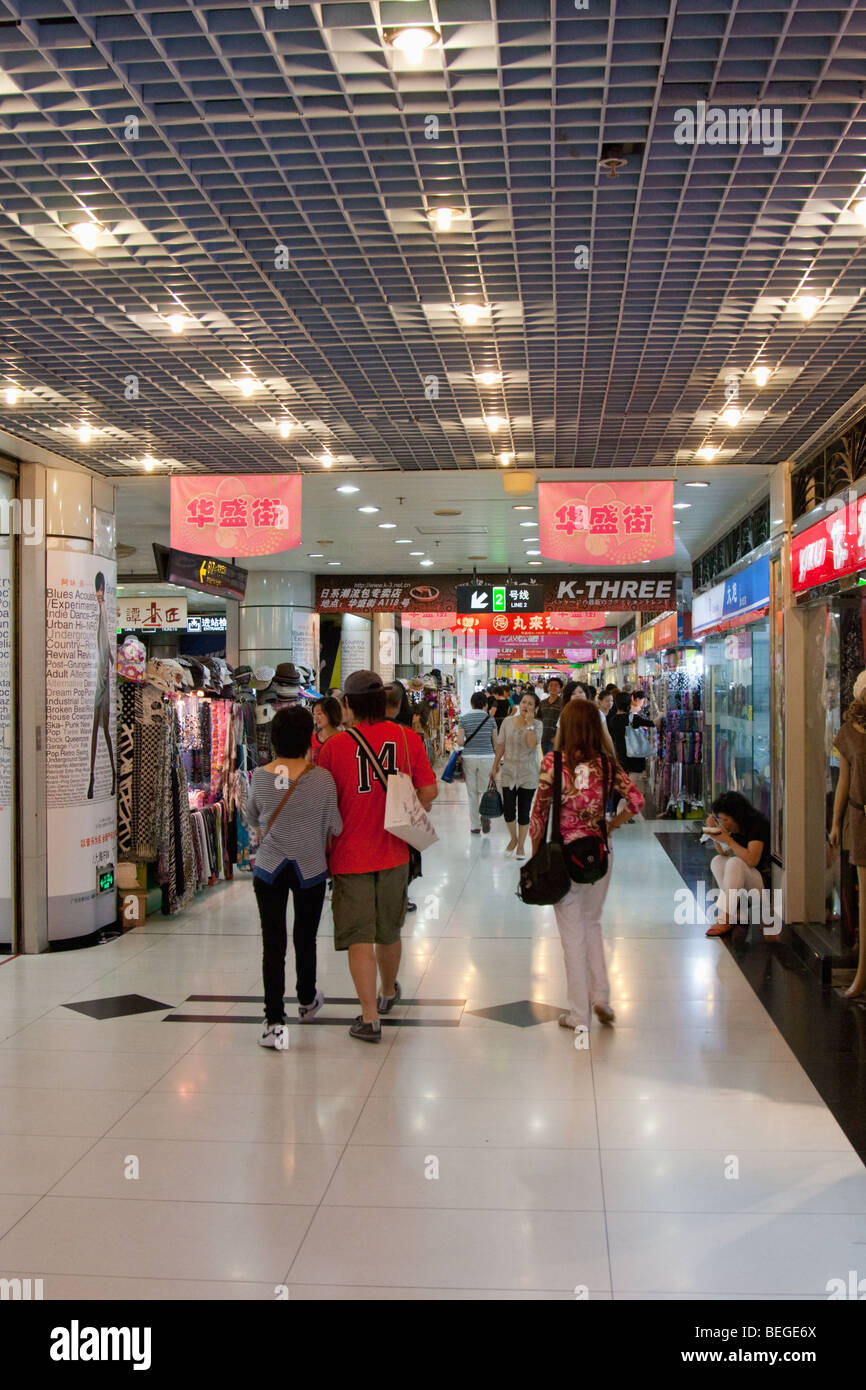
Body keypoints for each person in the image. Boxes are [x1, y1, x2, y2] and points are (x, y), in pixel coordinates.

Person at [318, 671, 437, 1042]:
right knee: (389, 930)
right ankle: (388, 992)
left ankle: (370, 1019)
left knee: (359, 938)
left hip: (349, 857)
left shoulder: (333, 748)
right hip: (394, 853)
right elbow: (429, 790)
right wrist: (406, 811)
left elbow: (323, 806)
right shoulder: (406, 738)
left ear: (349, 705)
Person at [529, 700, 643, 1033]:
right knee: (592, 924)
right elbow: (637, 800)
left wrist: (535, 855)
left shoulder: (554, 761)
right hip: (599, 855)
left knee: (572, 937)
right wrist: (612, 824)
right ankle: (602, 998)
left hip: (564, 857)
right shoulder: (607, 765)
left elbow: (538, 814)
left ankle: (579, 1014)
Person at [247, 706, 342, 1049]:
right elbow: (335, 825)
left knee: (273, 944)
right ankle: (306, 999)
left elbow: (252, 816)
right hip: (311, 868)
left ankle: (274, 1022)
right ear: (307, 739)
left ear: (274, 739)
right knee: (306, 936)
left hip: (269, 868)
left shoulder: (260, 776)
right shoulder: (322, 779)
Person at [704, 791, 771, 938]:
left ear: (737, 817)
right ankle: (736, 910)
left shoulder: (757, 824)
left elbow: (752, 860)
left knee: (735, 862)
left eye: (726, 820)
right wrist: (715, 835)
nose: (724, 824)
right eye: (720, 819)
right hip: (746, 886)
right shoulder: (733, 828)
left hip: (763, 886)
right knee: (717, 861)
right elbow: (723, 853)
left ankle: (726, 915)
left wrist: (729, 840)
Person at [492, 691, 542, 859]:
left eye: (530, 704)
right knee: (508, 810)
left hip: (528, 772)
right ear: (519, 703)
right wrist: (494, 766)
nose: (525, 706)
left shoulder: (537, 725)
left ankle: (520, 845)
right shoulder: (507, 722)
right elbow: (501, 745)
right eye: (524, 702)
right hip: (509, 771)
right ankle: (513, 839)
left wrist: (529, 724)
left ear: (535, 708)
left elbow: (531, 744)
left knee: (524, 810)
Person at [88, 571, 116, 800]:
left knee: (104, 732)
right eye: (97, 588)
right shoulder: (97, 614)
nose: (99, 592)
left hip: (103, 682)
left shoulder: (103, 611)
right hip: (99, 682)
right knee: (96, 734)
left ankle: (109, 778)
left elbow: (105, 644)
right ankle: (92, 778)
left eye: (101, 588)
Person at [607, 689, 656, 816]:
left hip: (620, 753)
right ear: (629, 704)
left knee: (623, 779)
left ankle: (615, 805)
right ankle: (626, 809)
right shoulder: (633, 718)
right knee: (631, 782)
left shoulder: (613, 720)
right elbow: (652, 723)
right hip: (634, 753)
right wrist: (661, 716)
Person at [455, 691, 497, 834]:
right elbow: (496, 743)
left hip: (469, 758)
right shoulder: (490, 720)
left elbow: (460, 742)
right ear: (485, 704)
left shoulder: (464, 719)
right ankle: (485, 816)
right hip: (488, 757)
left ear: (471, 704)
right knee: (486, 790)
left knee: (472, 792)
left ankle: (475, 826)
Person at [311, 696, 343, 761]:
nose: (315, 718)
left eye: (319, 714)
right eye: (314, 714)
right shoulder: (312, 738)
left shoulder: (343, 739)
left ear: (331, 713)